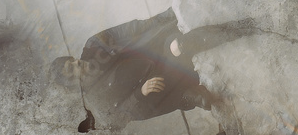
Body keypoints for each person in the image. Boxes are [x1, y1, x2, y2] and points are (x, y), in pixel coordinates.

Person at [51, 9, 219, 132]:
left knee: (177, 45)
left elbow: (132, 27)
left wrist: (166, 15)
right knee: (144, 101)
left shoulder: (94, 45)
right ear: (74, 84)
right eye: (72, 69)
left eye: (72, 60)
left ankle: (188, 90)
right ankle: (186, 96)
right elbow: (120, 119)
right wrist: (140, 93)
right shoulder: (96, 100)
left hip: (155, 50)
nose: (77, 63)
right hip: (159, 84)